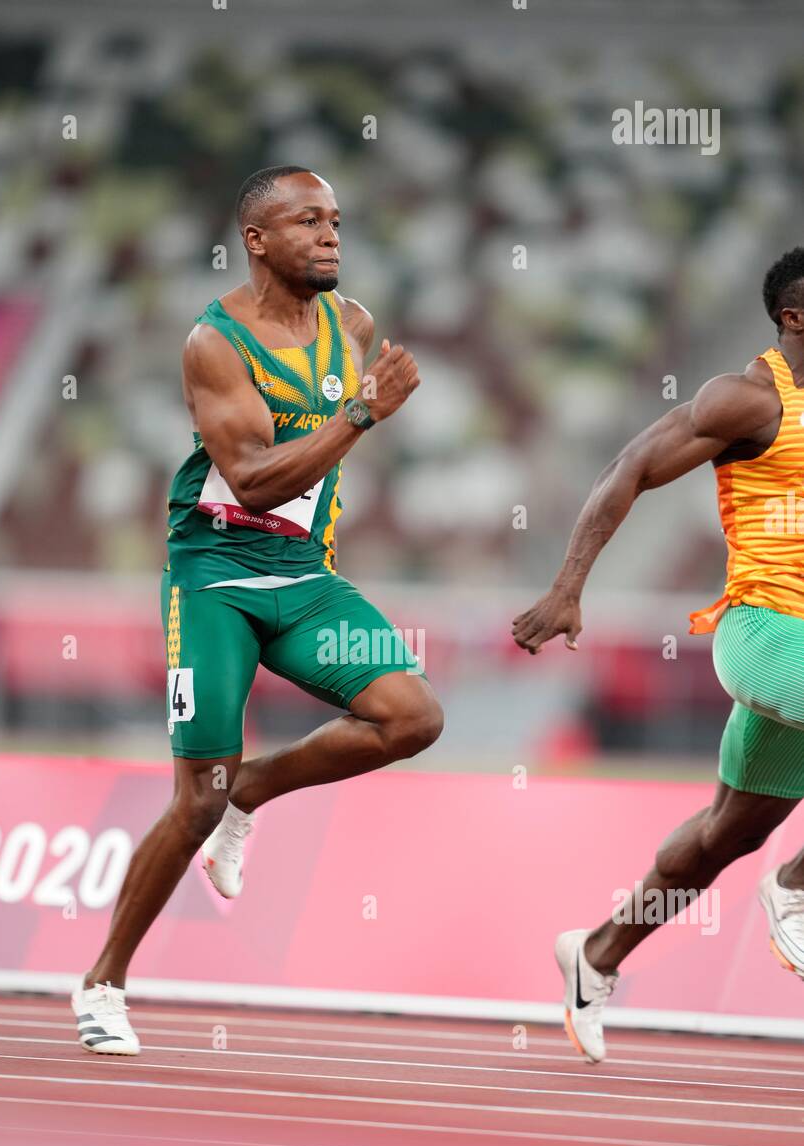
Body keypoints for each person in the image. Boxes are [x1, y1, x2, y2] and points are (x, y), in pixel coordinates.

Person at [72, 166, 443, 1056]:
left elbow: (327, 447)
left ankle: (256, 794)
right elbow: (258, 477)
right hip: (214, 579)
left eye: (337, 223)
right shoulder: (214, 343)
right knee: (192, 798)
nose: (330, 238)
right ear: (258, 239)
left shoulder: (349, 326)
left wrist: (359, 405)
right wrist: (362, 411)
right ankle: (103, 982)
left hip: (304, 576)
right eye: (308, 222)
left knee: (413, 717)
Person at [512, 247, 804, 1062]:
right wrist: (569, 587)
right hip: (766, 633)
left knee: (722, 837)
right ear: (795, 317)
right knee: (746, 848)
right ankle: (796, 886)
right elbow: (629, 467)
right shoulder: (746, 400)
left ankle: (595, 956)